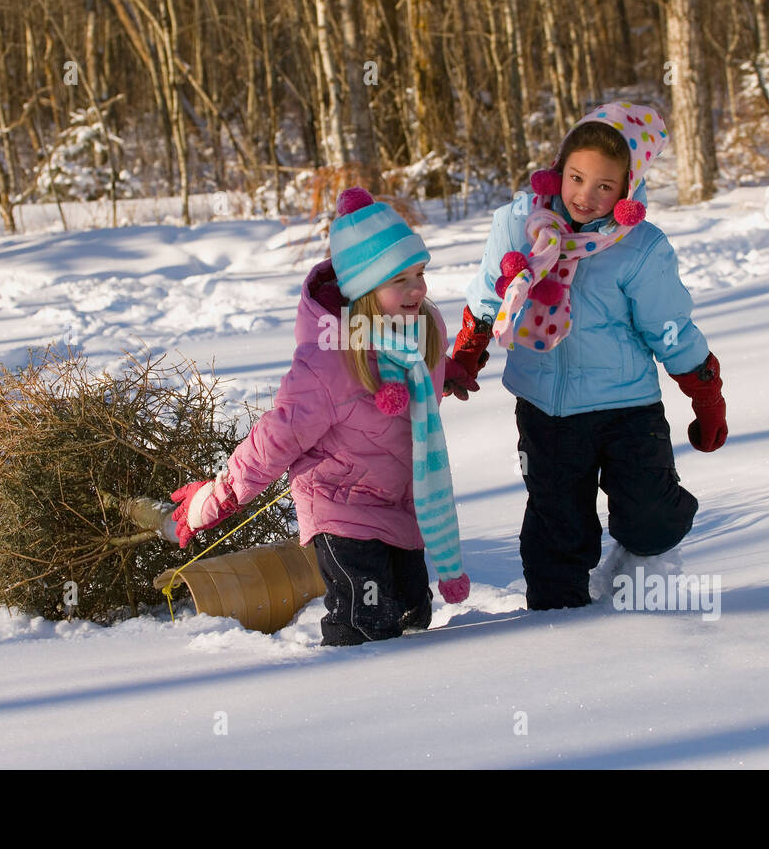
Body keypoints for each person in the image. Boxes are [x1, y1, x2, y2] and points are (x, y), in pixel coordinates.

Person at [450, 101, 728, 611]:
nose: (585, 196)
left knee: (650, 515)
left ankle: (641, 562)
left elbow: (669, 326)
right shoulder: (518, 225)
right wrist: (469, 349)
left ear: (626, 190)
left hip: (626, 407)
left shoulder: (641, 247)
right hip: (545, 410)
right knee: (557, 527)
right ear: (558, 170)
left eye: (604, 186)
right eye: (576, 177)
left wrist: (704, 391)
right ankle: (560, 627)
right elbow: (491, 293)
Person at [170, 187, 471, 645]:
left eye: (420, 272)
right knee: (365, 628)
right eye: (400, 280)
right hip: (343, 511)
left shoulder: (419, 332)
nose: (418, 289)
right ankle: (344, 696)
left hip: (402, 509)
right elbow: (277, 437)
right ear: (364, 291)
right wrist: (218, 497)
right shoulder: (328, 361)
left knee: (414, 617)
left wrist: (445, 372)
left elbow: (409, 390)